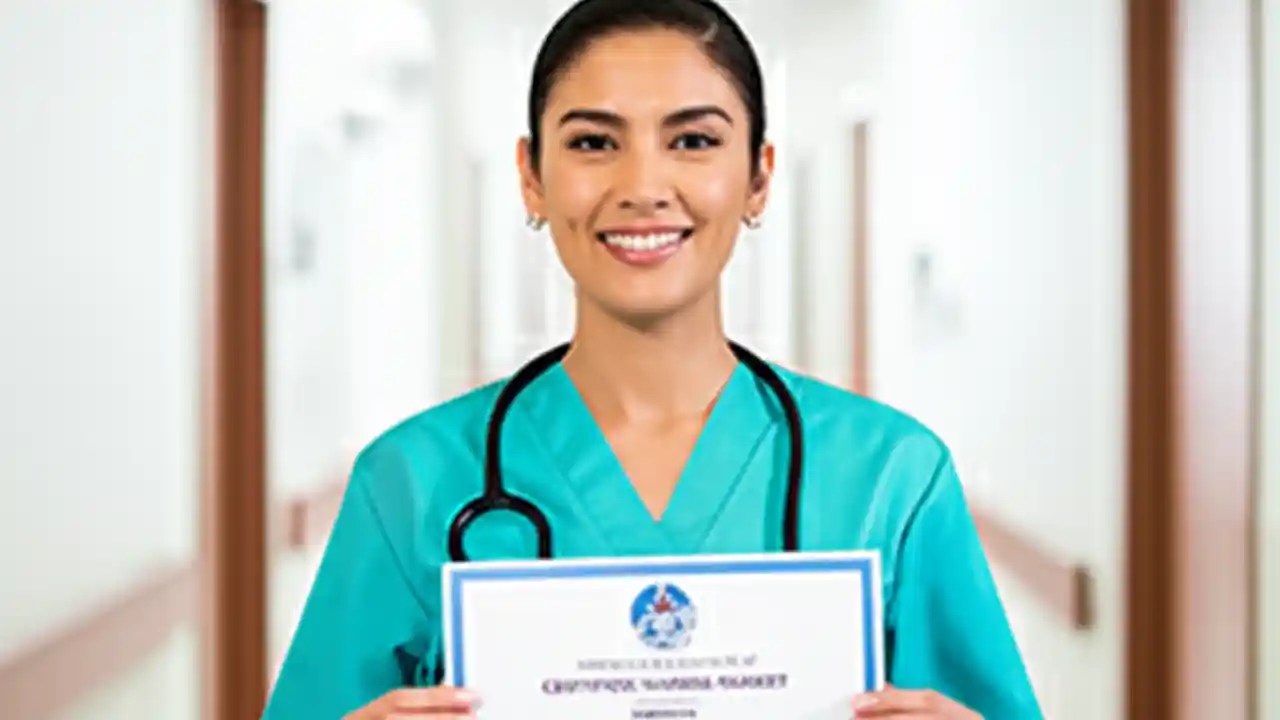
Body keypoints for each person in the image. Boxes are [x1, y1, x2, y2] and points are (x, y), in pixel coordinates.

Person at [262, 0, 1042, 718]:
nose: (642, 186)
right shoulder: (412, 481)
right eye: (594, 142)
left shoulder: (891, 477)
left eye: (694, 141)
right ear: (532, 176)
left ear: (758, 177)